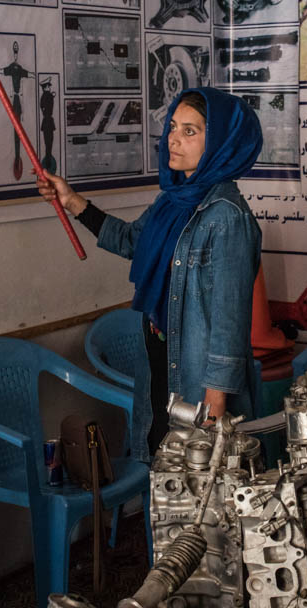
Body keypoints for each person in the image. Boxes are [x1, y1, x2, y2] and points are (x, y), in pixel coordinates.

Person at [39, 87, 263, 457]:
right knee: (164, 489)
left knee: (202, 501)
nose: (174, 139)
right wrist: (72, 201)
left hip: (199, 386)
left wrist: (215, 403)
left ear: (222, 142)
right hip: (163, 371)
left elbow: (229, 319)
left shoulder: (226, 217)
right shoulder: (172, 202)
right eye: (174, 127)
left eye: (190, 131)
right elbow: (131, 241)